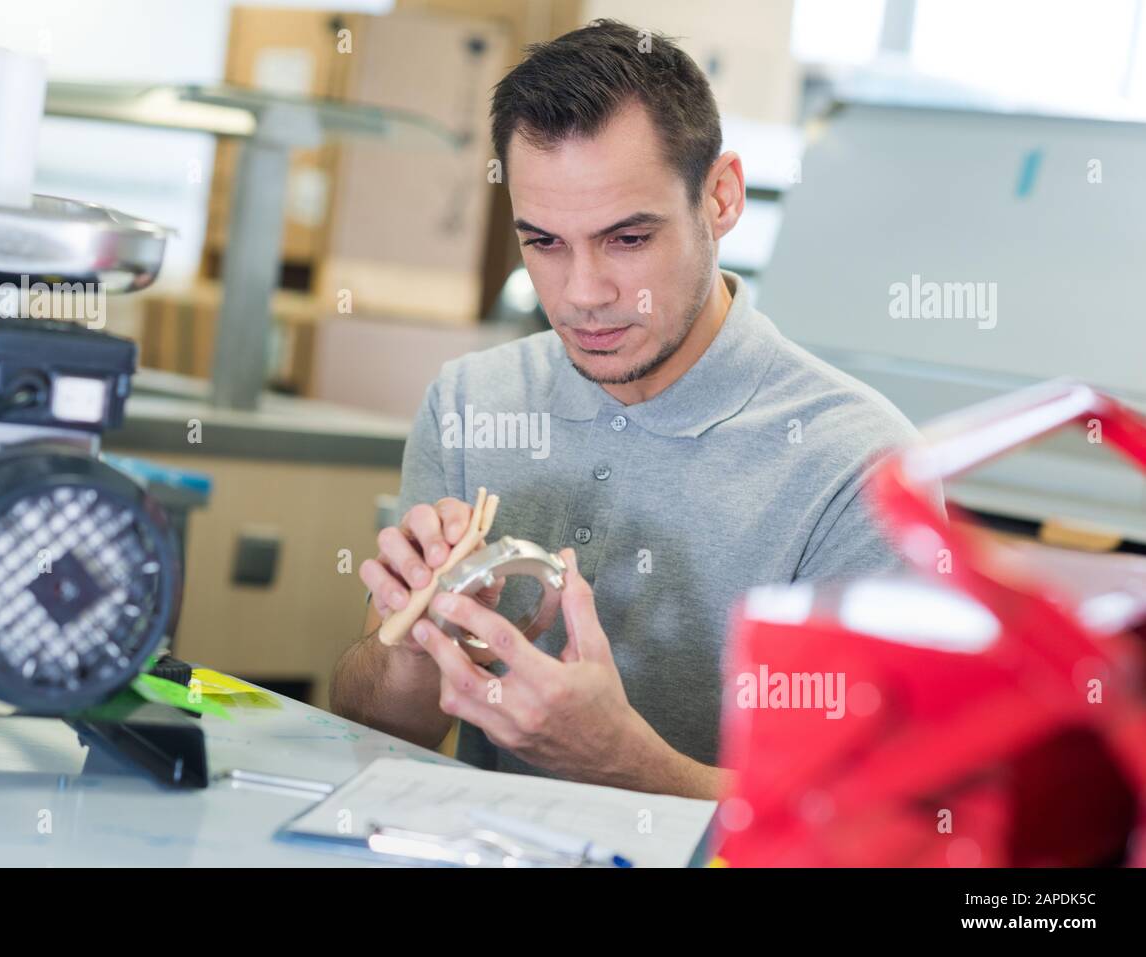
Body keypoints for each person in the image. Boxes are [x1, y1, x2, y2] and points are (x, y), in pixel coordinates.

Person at [330, 19, 937, 799]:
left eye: (626, 238)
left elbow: (870, 822)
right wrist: (417, 642)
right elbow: (372, 726)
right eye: (544, 242)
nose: (583, 293)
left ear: (721, 197)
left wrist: (626, 762)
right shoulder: (471, 403)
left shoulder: (861, 468)